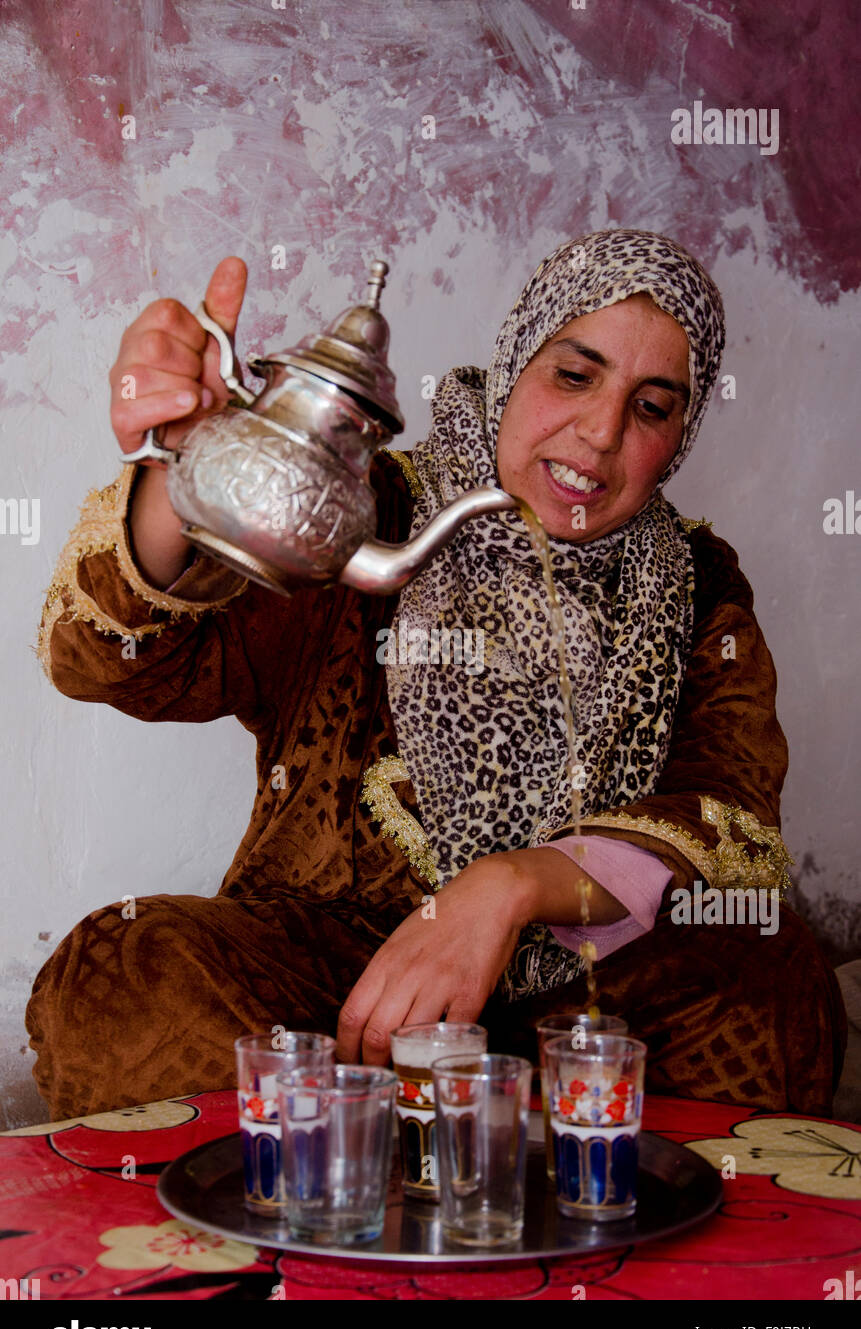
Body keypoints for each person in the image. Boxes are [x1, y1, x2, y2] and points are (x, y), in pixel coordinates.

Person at [29, 229, 846, 1121]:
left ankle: (446, 1160)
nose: (601, 433)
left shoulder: (695, 579)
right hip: (332, 979)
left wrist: (503, 890)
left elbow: (728, 816)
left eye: (651, 407)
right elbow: (120, 666)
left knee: (773, 980)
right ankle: (436, 1164)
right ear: (515, 360)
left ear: (678, 436)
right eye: (573, 376)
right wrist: (183, 473)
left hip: (587, 990)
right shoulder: (361, 505)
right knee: (128, 969)